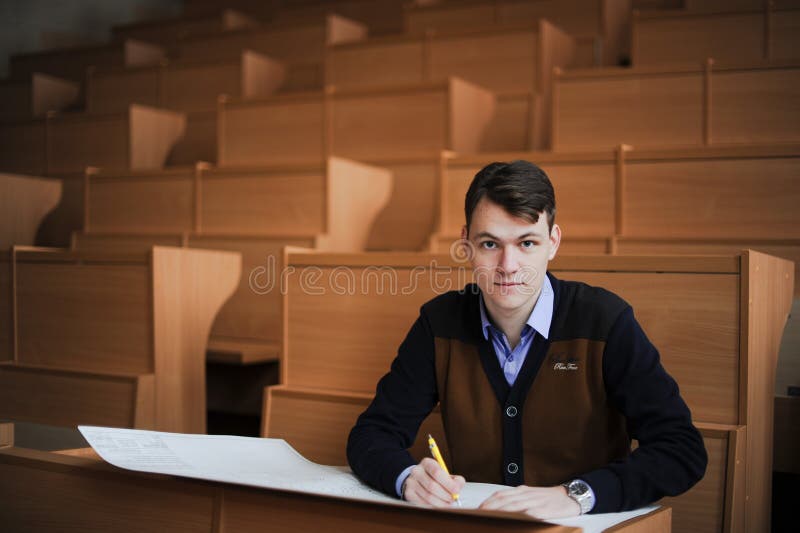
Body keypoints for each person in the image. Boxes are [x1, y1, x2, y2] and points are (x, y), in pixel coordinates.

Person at [347, 160, 707, 518]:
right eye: (490, 244)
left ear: (552, 243)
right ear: (466, 246)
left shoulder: (606, 321)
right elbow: (372, 435)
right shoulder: (438, 323)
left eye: (527, 243)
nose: (508, 265)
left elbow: (681, 449)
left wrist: (575, 496)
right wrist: (407, 477)